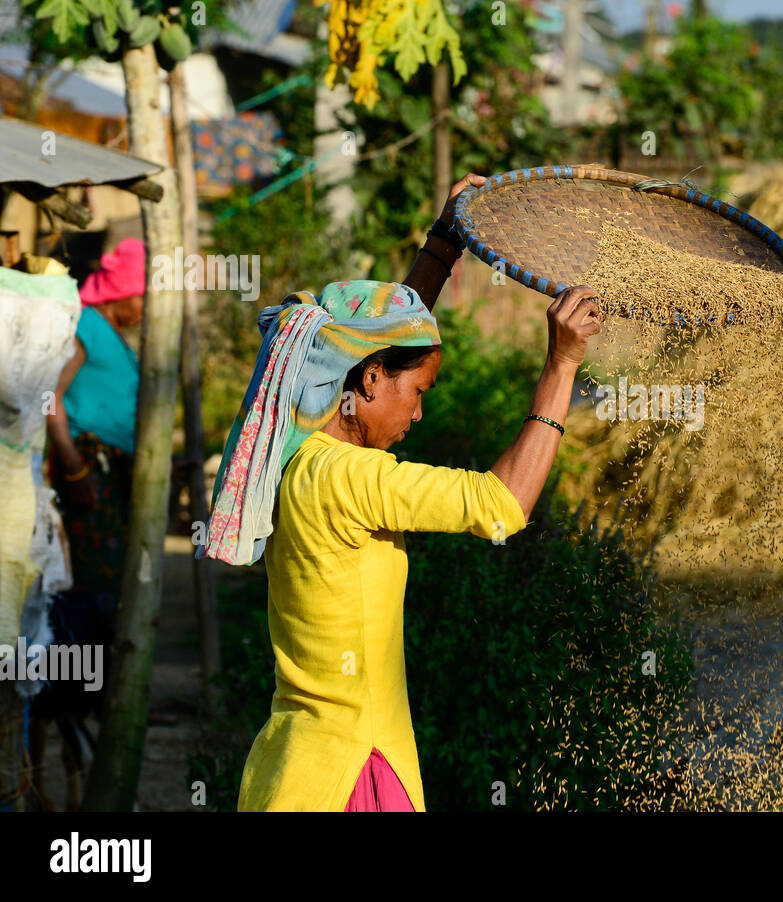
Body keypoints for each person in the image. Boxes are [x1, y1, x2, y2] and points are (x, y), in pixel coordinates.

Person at [204, 175, 604, 811]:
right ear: (365, 380)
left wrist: (443, 244)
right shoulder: (351, 478)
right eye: (419, 395)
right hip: (350, 775)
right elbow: (504, 506)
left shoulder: (297, 447)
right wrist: (561, 366)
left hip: (293, 767)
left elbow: (382, 345)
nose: (418, 416)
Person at [46, 236, 144, 601]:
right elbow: (48, 396)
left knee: (117, 576)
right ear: (120, 291)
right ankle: (87, 655)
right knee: (97, 580)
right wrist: (75, 470)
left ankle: (103, 656)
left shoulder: (116, 337)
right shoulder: (85, 325)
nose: (145, 308)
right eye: (141, 296)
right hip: (88, 466)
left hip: (112, 467)